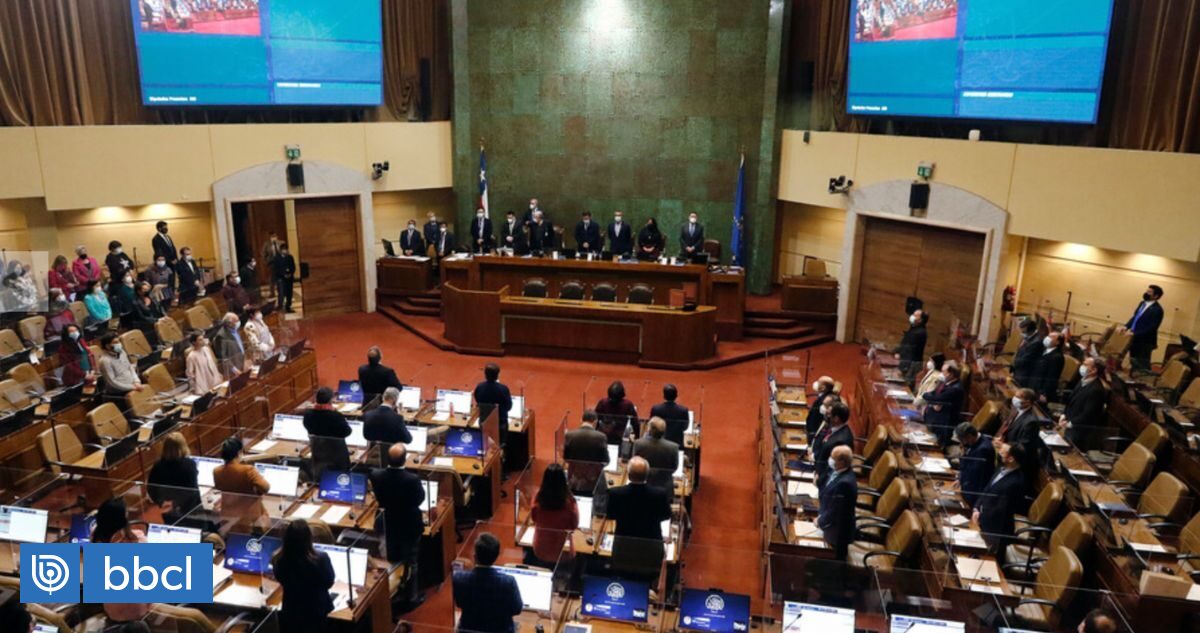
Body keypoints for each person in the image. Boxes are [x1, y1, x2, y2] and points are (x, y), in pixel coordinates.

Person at [370, 443, 426, 606]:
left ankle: (396, 585)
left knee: (392, 555)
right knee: (412, 560)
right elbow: (420, 499)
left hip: (387, 521)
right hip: (409, 523)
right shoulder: (412, 479)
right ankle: (412, 597)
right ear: (405, 459)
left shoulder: (376, 475)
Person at [91, 498, 152, 625]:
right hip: (138, 612)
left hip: (110, 611)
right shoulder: (139, 540)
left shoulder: (96, 538)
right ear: (123, 519)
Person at [272, 519, 337, 633]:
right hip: (316, 611)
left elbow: (280, 578)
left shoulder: (279, 559)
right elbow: (329, 582)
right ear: (309, 538)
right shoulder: (320, 559)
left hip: (292, 610)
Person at [606, 457, 672, 567]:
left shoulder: (615, 493)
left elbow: (610, 515)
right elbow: (666, 515)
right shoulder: (659, 494)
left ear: (628, 474)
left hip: (623, 550)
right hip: (652, 550)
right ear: (647, 474)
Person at [452, 532, 524, 633]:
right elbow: (517, 609)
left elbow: (459, 603)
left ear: (474, 556)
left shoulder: (458, 579)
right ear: (497, 556)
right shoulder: (508, 582)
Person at [972, 442, 1026, 562]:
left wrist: (980, 516)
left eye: (1003, 452)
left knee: (984, 561)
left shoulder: (1015, 483)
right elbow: (987, 489)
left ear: (1011, 458)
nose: (999, 453)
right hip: (983, 520)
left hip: (996, 530)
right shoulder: (1001, 469)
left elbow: (999, 510)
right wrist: (976, 507)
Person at [527, 463, 579, 567]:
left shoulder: (537, 500)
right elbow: (574, 526)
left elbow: (534, 519)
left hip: (540, 551)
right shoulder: (570, 503)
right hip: (563, 553)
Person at [212, 437, 269, 530]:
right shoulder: (248, 470)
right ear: (239, 453)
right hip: (249, 518)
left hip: (227, 518)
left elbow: (220, 486)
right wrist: (257, 491)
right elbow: (266, 487)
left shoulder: (216, 471)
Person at [998, 387, 1047, 489]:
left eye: (1018, 397)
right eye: (1015, 395)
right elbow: (1008, 427)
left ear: (1028, 401)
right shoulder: (1016, 410)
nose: (1014, 398)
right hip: (1007, 454)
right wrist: (1001, 438)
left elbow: (1024, 446)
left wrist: (1005, 446)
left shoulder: (1031, 422)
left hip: (1018, 463)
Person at [147, 432, 202, 524]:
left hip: (168, 510)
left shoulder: (158, 466)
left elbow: (151, 488)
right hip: (189, 510)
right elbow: (193, 490)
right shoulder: (189, 464)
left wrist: (161, 502)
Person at [817, 445, 858, 560]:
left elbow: (835, 511)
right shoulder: (838, 470)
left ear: (842, 462)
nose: (830, 460)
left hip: (837, 533)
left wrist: (820, 522)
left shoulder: (845, 484)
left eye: (832, 458)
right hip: (829, 520)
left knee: (832, 560)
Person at [1058, 358, 1108, 448]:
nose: (1082, 367)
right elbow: (1070, 400)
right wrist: (1064, 415)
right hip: (1068, 423)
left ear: (1094, 370)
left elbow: (1088, 414)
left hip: (1078, 430)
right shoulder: (1083, 380)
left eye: (1085, 365)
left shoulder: (1096, 390)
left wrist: (1070, 423)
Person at [304, 387, 352, 479]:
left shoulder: (308, 415)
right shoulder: (335, 416)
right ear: (330, 400)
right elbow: (347, 431)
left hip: (318, 453)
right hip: (338, 456)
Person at [562, 411, 610, 494]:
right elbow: (606, 461)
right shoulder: (601, 437)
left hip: (574, 481)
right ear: (595, 422)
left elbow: (566, 458)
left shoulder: (569, 435)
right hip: (593, 482)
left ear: (581, 420)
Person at [632, 417, 680, 498]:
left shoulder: (638, 444)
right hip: (665, 486)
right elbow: (674, 468)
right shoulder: (673, 447)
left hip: (642, 484)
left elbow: (634, 464)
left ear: (649, 429)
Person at [474, 363, 513, 459]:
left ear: (485, 374)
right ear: (497, 375)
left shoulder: (480, 387)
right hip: (500, 423)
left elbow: (478, 401)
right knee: (500, 445)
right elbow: (508, 406)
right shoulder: (503, 389)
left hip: (484, 422)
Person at [921, 361, 965, 446]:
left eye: (944, 372)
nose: (941, 374)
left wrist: (931, 399)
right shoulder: (946, 383)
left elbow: (937, 398)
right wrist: (931, 400)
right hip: (935, 418)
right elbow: (932, 394)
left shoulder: (955, 389)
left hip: (943, 424)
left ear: (951, 374)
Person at [1122, 284, 1164, 373]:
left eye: (1149, 292)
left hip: (1145, 341)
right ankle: (1133, 379)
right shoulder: (1142, 303)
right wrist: (1126, 326)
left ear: (1156, 296)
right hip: (1134, 338)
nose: (1146, 293)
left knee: (1141, 364)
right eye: (1147, 291)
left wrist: (1135, 333)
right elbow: (1135, 317)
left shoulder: (1157, 310)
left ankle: (1142, 381)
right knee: (1133, 361)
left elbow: (1152, 328)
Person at [811, 401, 853, 489]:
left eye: (829, 414)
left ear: (836, 419)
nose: (826, 415)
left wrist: (818, 480)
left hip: (824, 481)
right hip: (818, 470)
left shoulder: (841, 441)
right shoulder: (835, 428)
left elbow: (832, 466)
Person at [954, 422, 995, 510]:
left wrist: (962, 480)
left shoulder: (984, 449)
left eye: (962, 440)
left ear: (969, 436)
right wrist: (959, 478)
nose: (962, 443)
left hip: (974, 492)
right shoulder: (972, 442)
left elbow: (974, 473)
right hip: (967, 485)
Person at [98, 333, 144, 400]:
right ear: (107, 346)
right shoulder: (105, 361)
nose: (119, 344)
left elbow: (130, 368)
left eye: (119, 341)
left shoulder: (122, 352)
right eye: (116, 342)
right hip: (120, 394)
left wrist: (137, 381)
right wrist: (133, 387)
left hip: (134, 385)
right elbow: (112, 382)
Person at [1031, 331, 1066, 402]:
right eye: (1048, 336)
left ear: (1058, 342)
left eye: (1051, 337)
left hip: (1041, 392)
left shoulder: (1057, 357)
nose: (1047, 338)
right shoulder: (1044, 350)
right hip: (1035, 385)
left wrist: (1044, 393)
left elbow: (1052, 377)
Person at [895, 308, 928, 382]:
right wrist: (897, 351)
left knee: (905, 384)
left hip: (912, 364)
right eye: (913, 314)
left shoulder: (919, 332)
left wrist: (902, 368)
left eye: (915, 316)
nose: (912, 316)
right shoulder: (914, 328)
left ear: (920, 320)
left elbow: (909, 350)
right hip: (908, 361)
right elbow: (905, 342)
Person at [1011, 318, 1044, 388]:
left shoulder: (1036, 342)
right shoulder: (1029, 337)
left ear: (1029, 330)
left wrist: (1014, 363)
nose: (1021, 333)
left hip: (1025, 373)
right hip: (1019, 370)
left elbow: (1026, 360)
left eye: (1023, 331)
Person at [273, 242, 297, 312]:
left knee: (289, 293)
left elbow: (293, 267)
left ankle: (288, 306)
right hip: (281, 278)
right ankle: (280, 307)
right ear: (281, 250)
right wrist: (283, 274)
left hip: (289, 279)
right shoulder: (276, 258)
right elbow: (276, 269)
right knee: (281, 293)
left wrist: (290, 274)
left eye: (286, 249)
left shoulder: (290, 257)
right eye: (284, 249)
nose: (285, 251)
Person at [262, 232, 283, 300]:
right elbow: (264, 254)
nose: (274, 238)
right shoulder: (267, 244)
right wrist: (267, 261)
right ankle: (272, 292)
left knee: (281, 279)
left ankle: (282, 291)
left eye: (275, 236)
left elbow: (285, 251)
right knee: (272, 279)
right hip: (272, 263)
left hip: (280, 263)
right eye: (272, 236)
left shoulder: (281, 243)